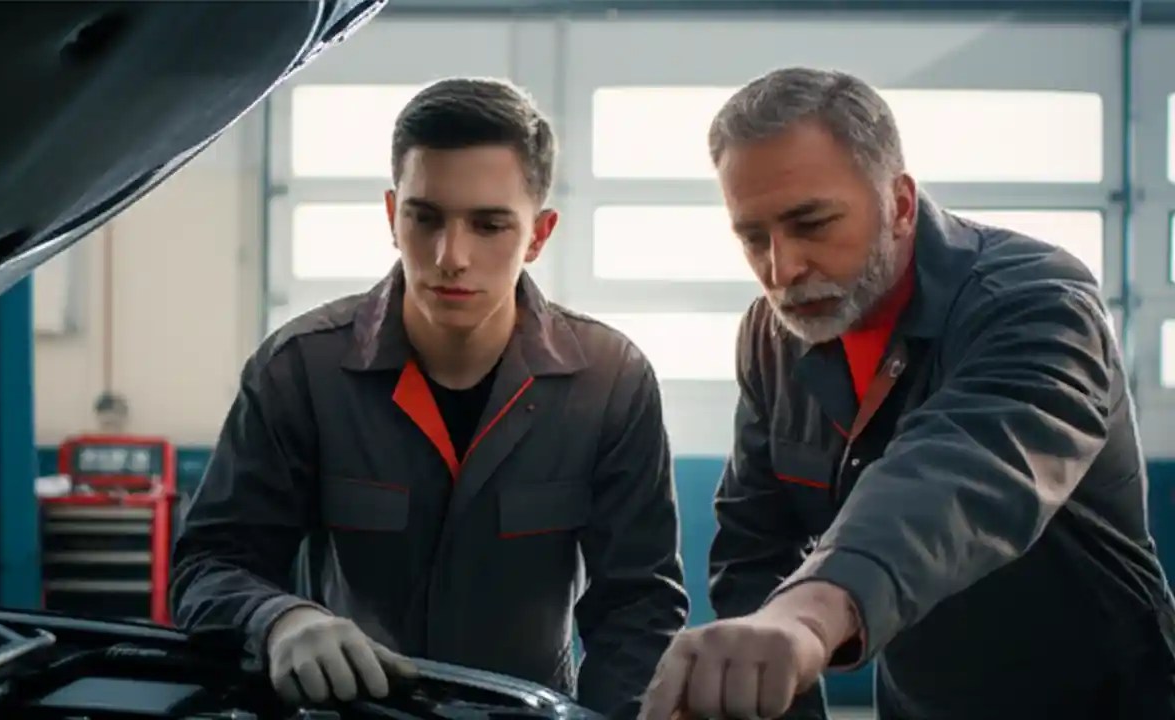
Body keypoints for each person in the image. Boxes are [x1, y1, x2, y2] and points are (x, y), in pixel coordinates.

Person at [640, 67, 1175, 720]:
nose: (781, 270)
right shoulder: (772, 335)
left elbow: (959, 470)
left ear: (898, 202)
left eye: (811, 223)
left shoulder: (1038, 300)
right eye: (754, 237)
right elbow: (756, 546)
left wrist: (809, 615)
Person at [170, 76, 689, 719]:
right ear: (392, 216)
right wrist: (280, 619)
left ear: (538, 234)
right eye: (426, 217)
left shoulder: (611, 382)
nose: (452, 256)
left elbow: (638, 606)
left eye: (490, 224)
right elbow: (209, 565)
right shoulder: (301, 372)